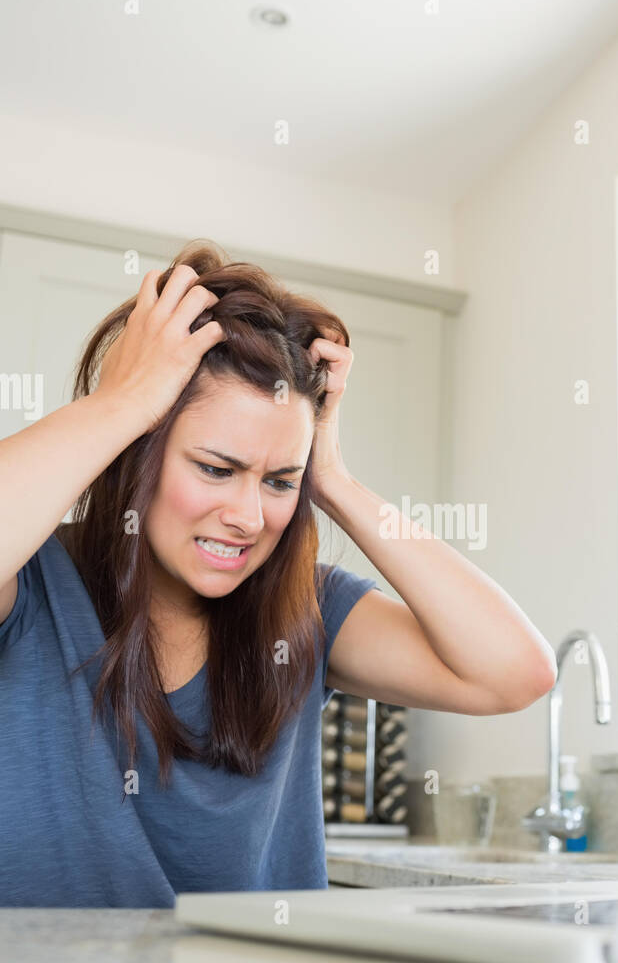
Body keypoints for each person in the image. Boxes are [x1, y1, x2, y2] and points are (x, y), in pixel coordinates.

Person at [0, 240, 556, 906]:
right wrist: (120, 405)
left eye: (279, 481)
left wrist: (335, 481)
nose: (248, 517)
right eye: (216, 468)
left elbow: (516, 672)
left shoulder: (310, 610)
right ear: (139, 451)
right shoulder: (31, 580)